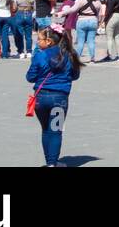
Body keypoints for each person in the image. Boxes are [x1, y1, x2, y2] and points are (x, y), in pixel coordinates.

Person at [26, 26, 83, 166]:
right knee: (56, 131)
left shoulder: (39, 55)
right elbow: (75, 76)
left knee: (45, 130)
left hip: (41, 97)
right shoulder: (70, 54)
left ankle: (49, 162)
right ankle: (53, 163)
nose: (37, 42)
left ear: (49, 41)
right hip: (60, 98)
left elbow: (30, 77)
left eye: (39, 39)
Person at [69, 0, 102, 64]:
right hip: (93, 21)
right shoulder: (98, 2)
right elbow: (99, 15)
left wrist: (62, 12)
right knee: (91, 41)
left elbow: (73, 9)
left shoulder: (81, 0)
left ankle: (77, 59)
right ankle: (92, 59)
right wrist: (98, 22)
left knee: (81, 41)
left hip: (82, 20)